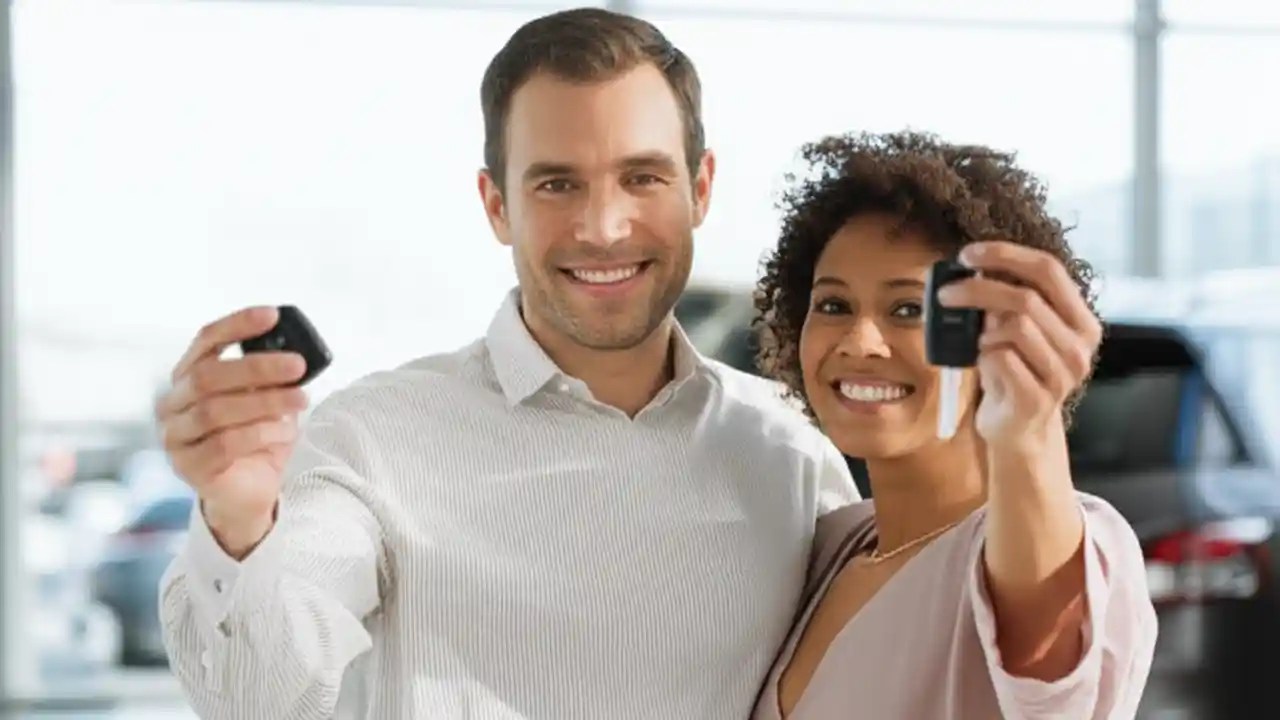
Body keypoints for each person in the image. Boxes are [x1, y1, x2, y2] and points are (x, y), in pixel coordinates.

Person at [151, 8, 858, 719]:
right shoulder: (374, 441)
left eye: (641, 178)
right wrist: (239, 522)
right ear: (496, 205)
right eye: (557, 184)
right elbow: (257, 700)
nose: (603, 228)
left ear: (699, 189)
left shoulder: (789, 454)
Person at [747, 130, 1157, 719]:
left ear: (988, 333)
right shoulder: (833, 546)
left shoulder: (1054, 545)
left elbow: (1049, 644)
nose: (861, 341)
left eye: (909, 310)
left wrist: (1027, 431)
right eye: (834, 305)